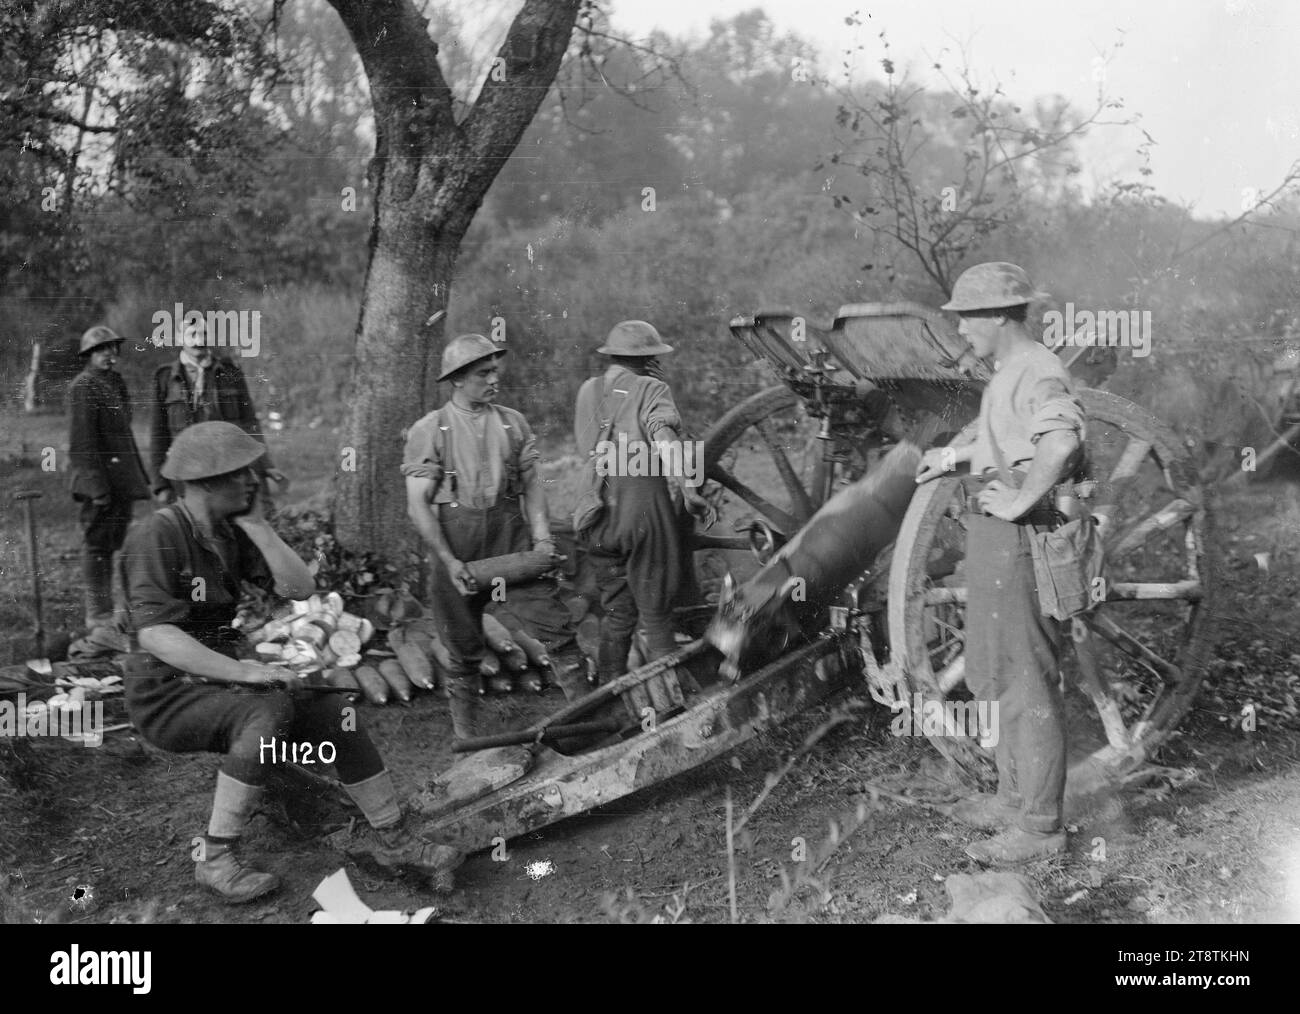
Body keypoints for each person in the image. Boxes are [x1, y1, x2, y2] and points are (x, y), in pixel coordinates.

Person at [120, 421, 463, 903]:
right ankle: (215, 858)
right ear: (204, 483)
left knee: (330, 707)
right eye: (240, 474)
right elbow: (155, 633)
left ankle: (393, 838)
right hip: (166, 693)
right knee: (268, 710)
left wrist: (257, 526)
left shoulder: (228, 533)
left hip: (214, 681)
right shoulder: (158, 534)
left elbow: (301, 589)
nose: (252, 481)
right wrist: (248, 672)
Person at [915, 262, 1086, 865]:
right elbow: (1006, 443)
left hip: (1022, 540)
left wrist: (1018, 499)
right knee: (993, 673)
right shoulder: (1007, 372)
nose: (961, 330)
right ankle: (1013, 800)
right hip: (993, 539)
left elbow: (1060, 443)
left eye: (965, 317)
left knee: (1027, 679)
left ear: (995, 316)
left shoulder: (1037, 368)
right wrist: (954, 457)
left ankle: (1041, 827)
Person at [402, 334, 559, 740]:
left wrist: (542, 540)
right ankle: (467, 736)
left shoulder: (513, 421)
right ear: (456, 379)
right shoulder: (430, 429)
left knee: (554, 626)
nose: (493, 380)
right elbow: (418, 505)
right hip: (457, 544)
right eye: (482, 374)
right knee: (462, 645)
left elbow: (533, 483)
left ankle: (583, 718)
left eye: (494, 371)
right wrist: (449, 561)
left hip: (510, 538)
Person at [573, 321, 716, 717]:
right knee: (656, 616)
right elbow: (664, 440)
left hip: (595, 514)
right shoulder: (652, 389)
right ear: (649, 358)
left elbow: (590, 447)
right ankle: (671, 710)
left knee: (618, 615)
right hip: (642, 511)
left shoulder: (589, 391)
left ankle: (610, 708)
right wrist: (688, 490)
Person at [150, 315, 286, 505]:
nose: (199, 340)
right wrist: (160, 484)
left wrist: (266, 465)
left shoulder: (230, 372)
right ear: (180, 338)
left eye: (204, 333)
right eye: (192, 334)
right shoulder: (165, 378)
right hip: (189, 471)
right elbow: (158, 434)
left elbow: (249, 422)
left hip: (228, 466)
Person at [66, 326, 151, 629]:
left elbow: (123, 435)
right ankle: (98, 613)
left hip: (121, 481)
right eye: (102, 350)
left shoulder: (115, 382)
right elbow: (82, 443)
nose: (109, 356)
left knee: (114, 542)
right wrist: (95, 487)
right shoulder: (83, 386)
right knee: (97, 545)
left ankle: (112, 609)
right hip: (100, 483)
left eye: (113, 349)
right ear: (89, 354)